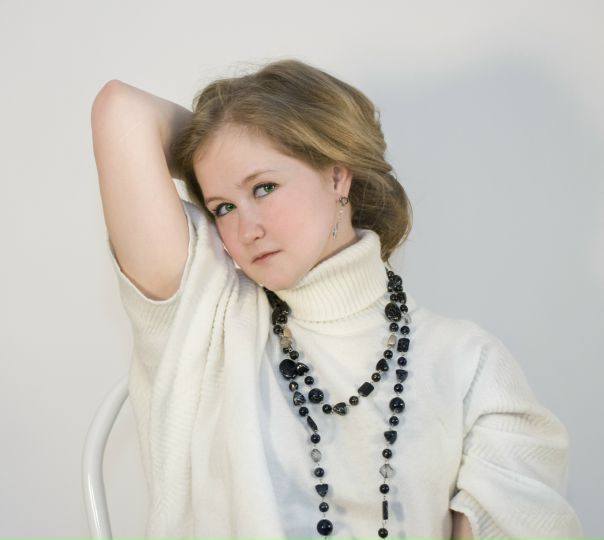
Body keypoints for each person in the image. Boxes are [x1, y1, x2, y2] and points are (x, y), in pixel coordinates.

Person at [91, 59, 584, 540]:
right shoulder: (208, 317)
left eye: (264, 187)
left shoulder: (467, 364)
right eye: (223, 207)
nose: (246, 228)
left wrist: (253, 135)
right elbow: (121, 111)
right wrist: (220, 134)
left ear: (336, 176)